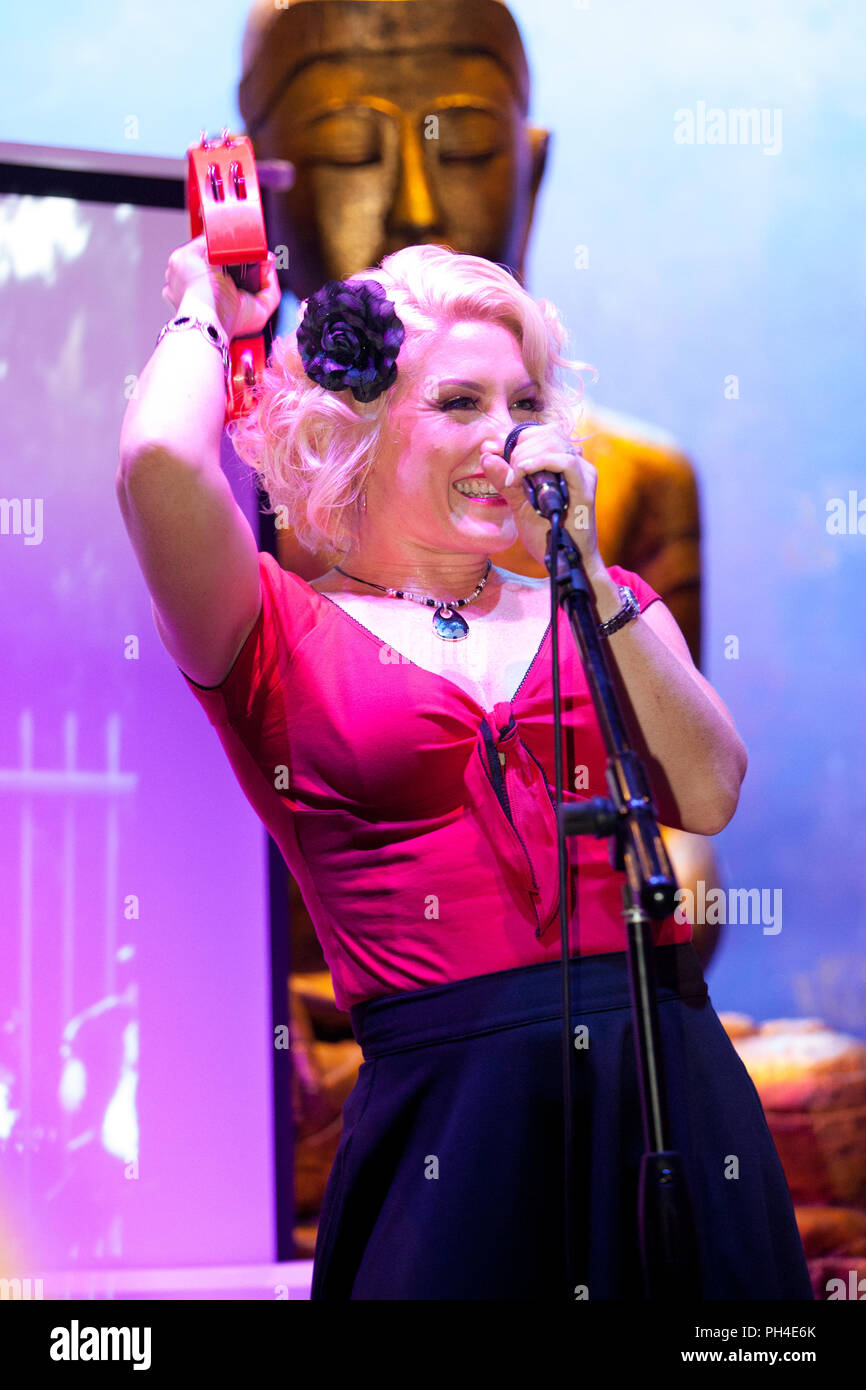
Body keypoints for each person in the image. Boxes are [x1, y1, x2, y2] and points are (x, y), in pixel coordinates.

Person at [116, 236, 813, 1301]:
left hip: (668, 1093)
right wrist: (203, 310)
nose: (505, 437)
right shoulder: (270, 631)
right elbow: (159, 464)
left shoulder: (601, 597)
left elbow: (708, 788)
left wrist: (579, 562)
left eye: (522, 402)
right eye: (458, 403)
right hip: (452, 1124)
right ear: (358, 424)